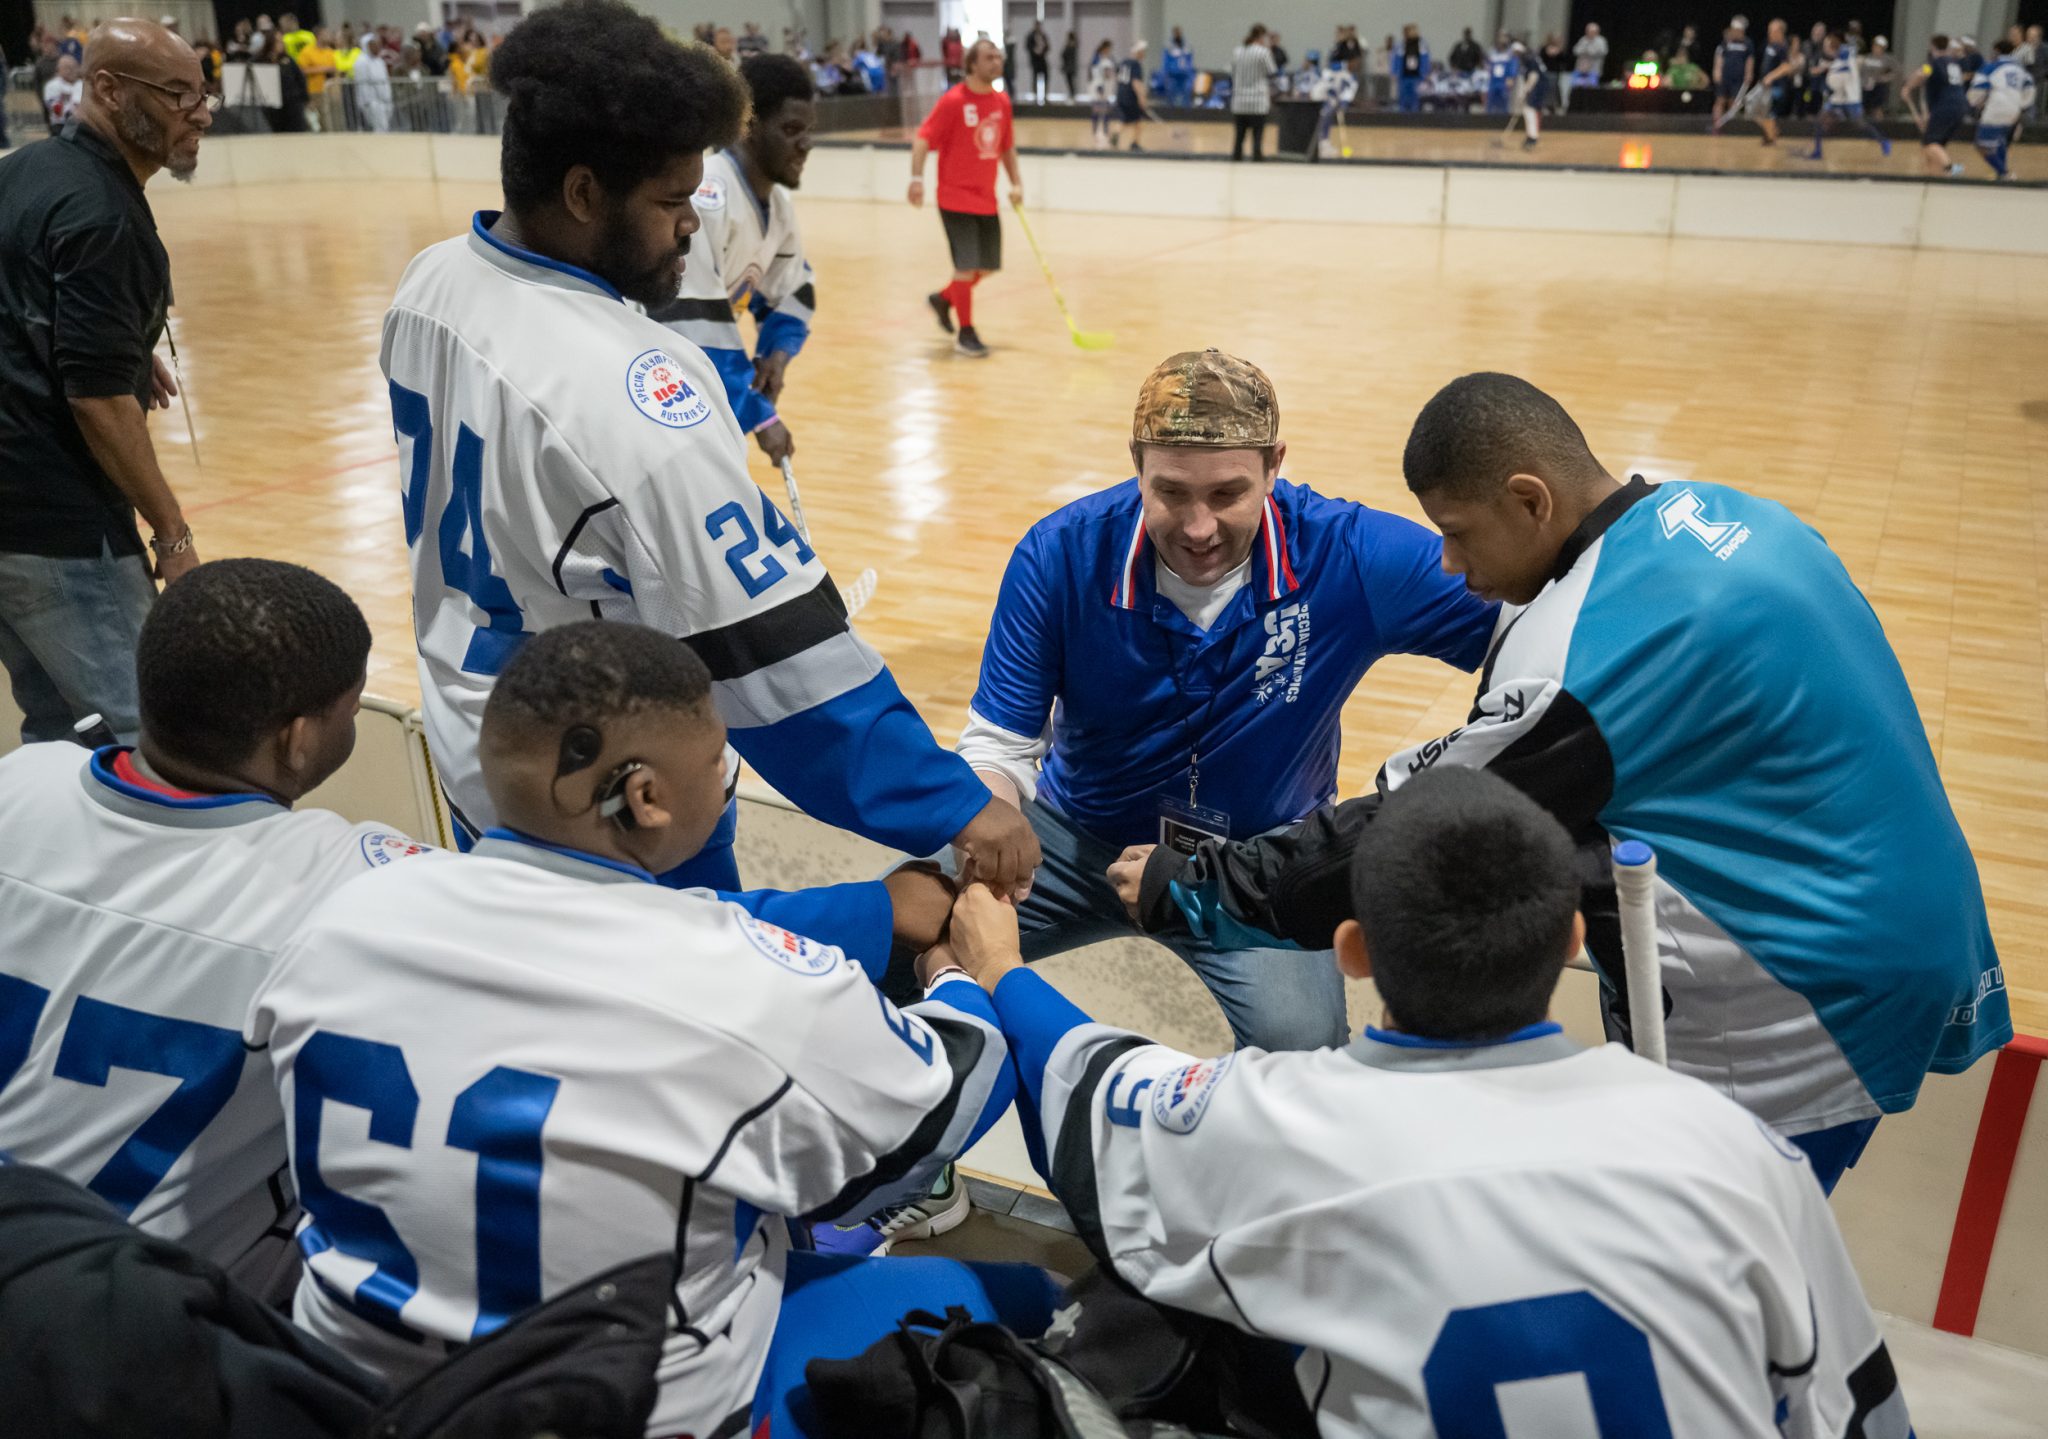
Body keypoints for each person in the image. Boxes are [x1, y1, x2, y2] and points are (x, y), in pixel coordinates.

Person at [1122, 373, 2009, 1193]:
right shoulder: (1729, 515)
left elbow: (1414, 835)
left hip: (1804, 991)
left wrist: (1194, 887)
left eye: (1457, 532)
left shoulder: (1583, 654)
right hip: (1909, 923)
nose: (1447, 563)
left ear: (1529, 499)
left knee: (1694, 1259)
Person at [944, 766, 1913, 1438]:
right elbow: (1859, 1409)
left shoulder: (1283, 1121)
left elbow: (1092, 1084)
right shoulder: (1744, 1152)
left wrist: (998, 967)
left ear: (1352, 952)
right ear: (1572, 940)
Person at [249, 621, 1016, 1437]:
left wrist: (870, 910)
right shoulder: (748, 988)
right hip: (632, 1409)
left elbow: (659, 923)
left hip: (351, 1391)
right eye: (718, 758)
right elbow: (955, 1090)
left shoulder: (347, 912)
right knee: (1013, 1304)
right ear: (644, 796)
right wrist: (964, 972)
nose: (725, 775)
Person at [381, 1, 1038, 897]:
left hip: (477, 754)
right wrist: (952, 803)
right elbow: (770, 655)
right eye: (670, 202)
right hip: (613, 813)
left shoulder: (426, 283)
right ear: (583, 195)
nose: (693, 225)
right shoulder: (632, 397)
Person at [958, 351, 1494, 1054]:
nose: (1198, 526)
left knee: (1302, 1045)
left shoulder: (1351, 554)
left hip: (1258, 863)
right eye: (1171, 492)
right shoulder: (1059, 555)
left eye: (1227, 494)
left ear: (1274, 466)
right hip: (1071, 838)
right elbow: (1000, 744)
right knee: (913, 936)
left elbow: (1527, 623)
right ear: (1136, 465)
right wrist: (991, 809)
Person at [0, 559, 427, 1292]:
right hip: (145, 1314)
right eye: (350, 709)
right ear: (297, 739)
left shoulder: (20, 778)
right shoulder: (358, 885)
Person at [0, 19, 211, 749]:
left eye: (203, 94)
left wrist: (118, 342)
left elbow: (21, 294)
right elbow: (96, 401)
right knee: (150, 741)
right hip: (62, 531)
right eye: (179, 95)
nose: (201, 114)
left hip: (10, 521)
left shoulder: (24, 171)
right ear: (109, 90)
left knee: (63, 736)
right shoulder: (102, 214)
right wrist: (173, 535)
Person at [656, 52, 815, 470]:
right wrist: (760, 415)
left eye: (808, 131)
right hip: (648, 377)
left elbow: (792, 291)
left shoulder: (778, 209)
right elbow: (693, 327)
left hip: (688, 382)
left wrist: (776, 356)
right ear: (749, 127)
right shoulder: (703, 195)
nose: (806, 144)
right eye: (791, 130)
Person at [911, 38, 1022, 361]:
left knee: (986, 267)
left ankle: (944, 299)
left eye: (998, 57)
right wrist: (916, 179)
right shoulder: (953, 101)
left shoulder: (1001, 102)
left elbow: (1006, 147)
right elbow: (923, 139)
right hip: (954, 198)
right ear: (972, 64)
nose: (996, 61)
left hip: (986, 200)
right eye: (989, 57)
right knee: (966, 266)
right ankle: (966, 333)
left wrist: (1016, 183)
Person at [1802, 33, 1891, 161]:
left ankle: (1883, 141)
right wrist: (1824, 67)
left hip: (1851, 98)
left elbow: (1848, 54)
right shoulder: (1837, 59)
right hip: (1838, 97)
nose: (1824, 48)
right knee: (1820, 120)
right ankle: (1817, 151)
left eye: (1826, 45)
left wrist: (1850, 45)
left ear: (1832, 46)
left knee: (1860, 124)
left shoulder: (1844, 53)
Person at [1969, 37, 2037, 180]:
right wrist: (2022, 105)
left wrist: (1974, 103)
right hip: (2014, 109)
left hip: (1997, 107)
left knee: (1981, 144)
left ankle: (2004, 173)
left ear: (1996, 51)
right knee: (2000, 141)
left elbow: (1977, 89)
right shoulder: (2020, 69)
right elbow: (2030, 89)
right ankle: (2002, 175)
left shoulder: (1992, 67)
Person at [1230, 24, 1275, 160]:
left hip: (1239, 100)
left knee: (1239, 137)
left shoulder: (1237, 52)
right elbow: (1272, 71)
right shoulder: (1263, 52)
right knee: (1257, 138)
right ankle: (1257, 158)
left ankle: (1236, 159)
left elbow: (1232, 71)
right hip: (1258, 101)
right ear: (1261, 36)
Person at [1753, 18, 1797, 145]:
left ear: (1780, 32)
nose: (1769, 32)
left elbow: (1786, 67)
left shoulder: (1782, 47)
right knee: (1757, 110)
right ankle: (1772, 132)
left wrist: (1770, 77)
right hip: (1766, 85)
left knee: (1766, 111)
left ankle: (1770, 136)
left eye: (1772, 30)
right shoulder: (1770, 45)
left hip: (1777, 86)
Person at [1311, 51, 1359, 159]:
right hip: (1319, 95)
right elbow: (1326, 78)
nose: (1356, 64)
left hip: (1331, 99)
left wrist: (1344, 102)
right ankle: (1320, 144)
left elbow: (1348, 92)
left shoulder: (1353, 78)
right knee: (1324, 116)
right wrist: (1330, 89)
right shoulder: (1337, 67)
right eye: (1354, 61)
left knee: (1328, 118)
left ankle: (1324, 143)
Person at [1112, 39, 1155, 151]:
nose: (1144, 54)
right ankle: (1135, 143)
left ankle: (1116, 134)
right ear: (1138, 52)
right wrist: (1142, 98)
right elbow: (1136, 83)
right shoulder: (1136, 65)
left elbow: (1117, 77)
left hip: (1121, 95)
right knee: (1137, 121)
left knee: (1125, 119)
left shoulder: (1123, 62)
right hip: (1130, 97)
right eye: (1143, 51)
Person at [1713, 20, 1754, 129]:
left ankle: (1731, 127)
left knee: (1734, 101)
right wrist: (1717, 71)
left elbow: (1750, 60)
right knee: (1720, 100)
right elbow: (1719, 57)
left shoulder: (1747, 43)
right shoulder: (1725, 42)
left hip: (1738, 78)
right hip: (1725, 77)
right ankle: (1716, 125)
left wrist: (1749, 73)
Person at [41, 52, 85, 129]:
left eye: (73, 67)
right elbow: (56, 111)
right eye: (66, 68)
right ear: (59, 69)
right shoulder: (53, 85)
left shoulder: (82, 84)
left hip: (82, 125)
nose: (70, 71)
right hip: (61, 125)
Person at [1393, 24, 1430, 114]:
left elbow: (1425, 59)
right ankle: (1402, 113)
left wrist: (1426, 72)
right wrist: (1394, 72)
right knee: (1403, 95)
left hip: (1416, 75)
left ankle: (1414, 113)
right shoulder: (1400, 45)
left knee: (1415, 95)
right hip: (1404, 75)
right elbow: (1395, 59)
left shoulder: (1421, 44)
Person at [1087, 38, 1116, 147]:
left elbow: (1111, 72)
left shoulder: (1110, 58)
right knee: (1097, 109)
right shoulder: (1097, 58)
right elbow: (1095, 73)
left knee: (1106, 110)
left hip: (1106, 88)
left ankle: (1106, 131)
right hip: (1098, 88)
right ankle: (1095, 132)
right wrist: (1099, 85)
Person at [1861, 35, 1897, 116]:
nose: (1876, 48)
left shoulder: (1887, 59)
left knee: (1877, 108)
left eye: (1879, 46)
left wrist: (1885, 78)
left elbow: (1895, 71)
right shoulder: (1867, 57)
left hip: (1879, 86)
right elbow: (1862, 71)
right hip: (1865, 86)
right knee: (1863, 108)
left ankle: (1878, 122)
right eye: (1875, 45)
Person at [1162, 26, 1194, 107]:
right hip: (1173, 75)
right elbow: (1165, 62)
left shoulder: (1187, 46)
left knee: (1186, 94)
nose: (1178, 34)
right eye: (1176, 33)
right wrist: (1165, 75)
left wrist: (1190, 74)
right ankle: (1170, 110)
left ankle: (1186, 111)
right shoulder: (1169, 47)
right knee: (1171, 94)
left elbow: (1190, 61)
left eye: (1179, 32)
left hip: (1184, 75)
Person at [1025, 19, 1049, 103]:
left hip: (1042, 60)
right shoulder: (1031, 36)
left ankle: (1045, 95)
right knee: (1035, 77)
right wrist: (1034, 51)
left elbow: (1048, 46)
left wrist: (1042, 51)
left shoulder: (1043, 35)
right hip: (1035, 61)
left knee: (1045, 77)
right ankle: (1035, 96)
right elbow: (1028, 46)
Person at [1060, 29, 1079, 100]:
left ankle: (1072, 94)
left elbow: (1064, 54)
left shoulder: (1070, 45)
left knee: (1070, 81)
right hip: (1071, 65)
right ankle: (1072, 93)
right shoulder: (1074, 45)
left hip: (1069, 66)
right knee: (1070, 81)